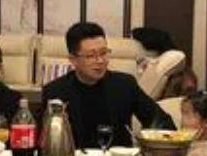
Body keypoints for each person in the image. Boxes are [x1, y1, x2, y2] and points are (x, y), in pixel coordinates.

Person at [42, 22, 175, 149]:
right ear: (73, 59)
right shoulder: (55, 92)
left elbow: (160, 121)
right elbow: (43, 140)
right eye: (91, 56)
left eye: (104, 53)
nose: (100, 61)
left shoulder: (125, 85)